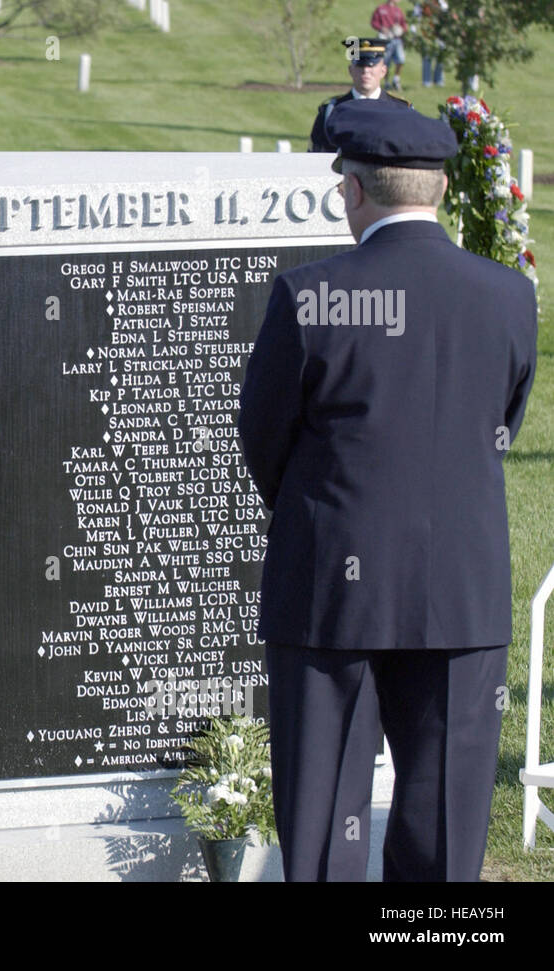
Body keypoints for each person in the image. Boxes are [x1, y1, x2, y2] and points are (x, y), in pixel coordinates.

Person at [239, 98, 537, 881]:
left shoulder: (308, 295)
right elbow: (500, 423)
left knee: (323, 817)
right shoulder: (511, 295)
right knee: (444, 832)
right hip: (459, 594)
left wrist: (330, 521)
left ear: (354, 190)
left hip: (330, 591)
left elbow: (264, 440)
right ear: (438, 190)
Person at [308, 38, 412, 153]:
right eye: (360, 66)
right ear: (351, 70)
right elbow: (315, 158)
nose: (366, 70)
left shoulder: (401, 110)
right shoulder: (330, 112)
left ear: (383, 71)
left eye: (372, 65)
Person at [371, 0, 408, 90]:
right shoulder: (381, 9)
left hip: (397, 39)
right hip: (385, 39)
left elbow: (404, 25)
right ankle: (386, 82)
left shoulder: (398, 10)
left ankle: (396, 79)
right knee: (386, 62)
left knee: (401, 59)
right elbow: (374, 22)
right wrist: (381, 28)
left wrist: (401, 30)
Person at [411, 1, 448, 87]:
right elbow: (415, 17)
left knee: (441, 59)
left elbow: (446, 12)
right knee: (427, 59)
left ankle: (438, 80)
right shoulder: (423, 4)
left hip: (440, 36)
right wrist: (414, 33)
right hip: (426, 35)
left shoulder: (442, 3)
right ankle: (427, 81)